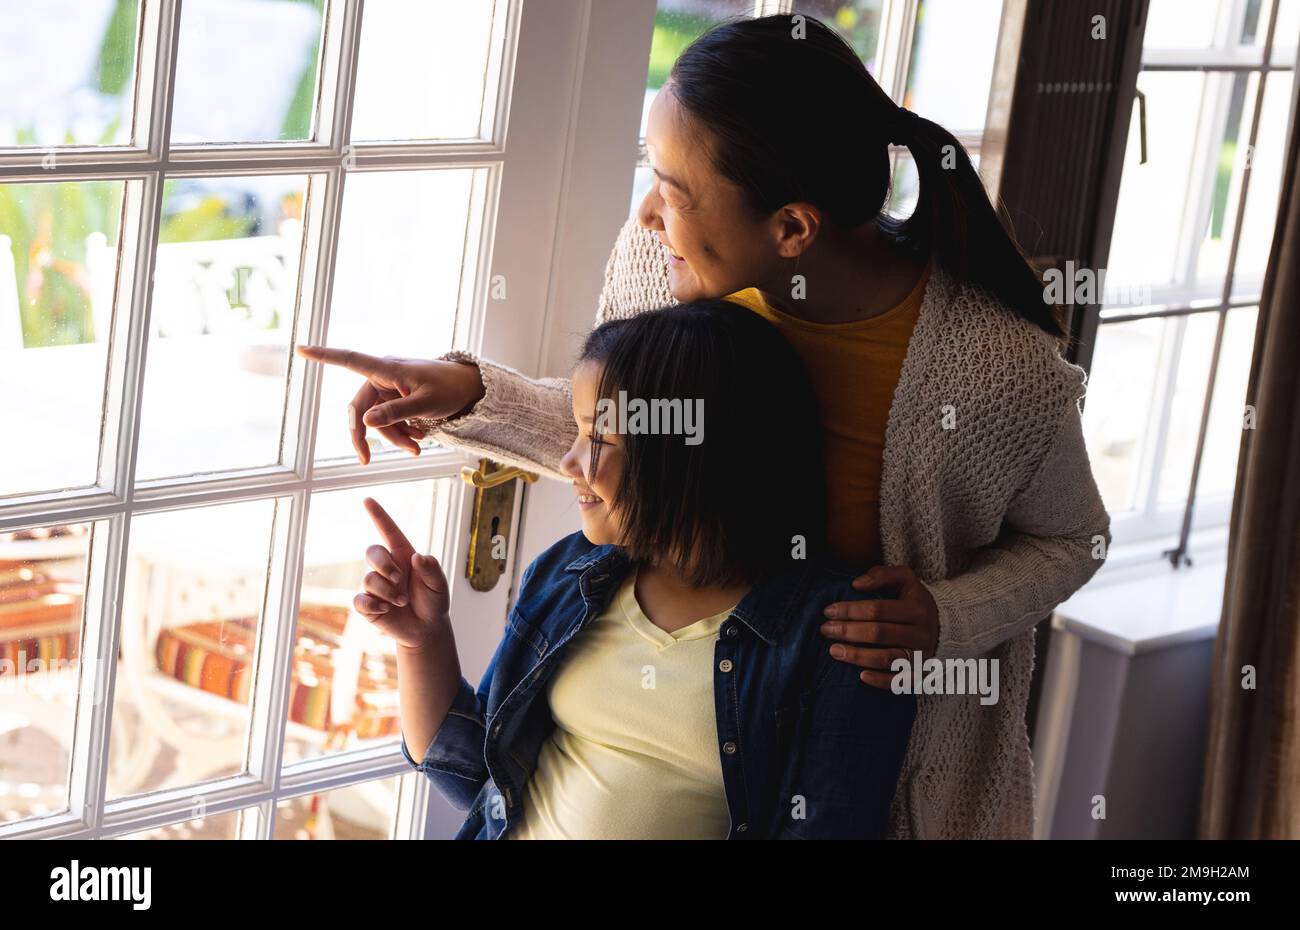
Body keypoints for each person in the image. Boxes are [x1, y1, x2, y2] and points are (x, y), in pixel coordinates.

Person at [298, 14, 1110, 839]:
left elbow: (1074, 541)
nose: (649, 214)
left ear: (793, 227)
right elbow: (632, 443)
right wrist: (470, 395)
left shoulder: (996, 371)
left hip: (884, 770)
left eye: (675, 191)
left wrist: (947, 616)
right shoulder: (669, 260)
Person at [355, 302, 916, 839]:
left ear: (689, 458)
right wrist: (421, 641)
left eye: (598, 439)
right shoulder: (570, 577)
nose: (568, 462)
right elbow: (477, 777)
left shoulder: (839, 636)